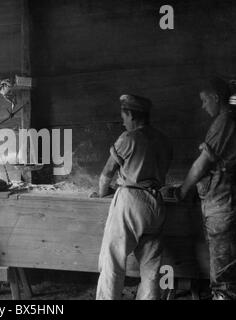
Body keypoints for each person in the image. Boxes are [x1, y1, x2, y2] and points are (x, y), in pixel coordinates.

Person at [92, 94, 173, 300]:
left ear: (132, 115)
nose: (123, 121)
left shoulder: (129, 138)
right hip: (156, 203)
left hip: (131, 202)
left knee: (112, 260)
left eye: (124, 116)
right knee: (151, 267)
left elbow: (107, 173)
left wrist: (102, 192)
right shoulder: (163, 139)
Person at [174, 77, 236, 300]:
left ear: (216, 98)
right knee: (222, 270)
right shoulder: (226, 121)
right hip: (221, 205)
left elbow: (201, 165)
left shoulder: (224, 121)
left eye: (204, 100)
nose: (203, 105)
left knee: (224, 278)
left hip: (222, 206)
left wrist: (183, 190)